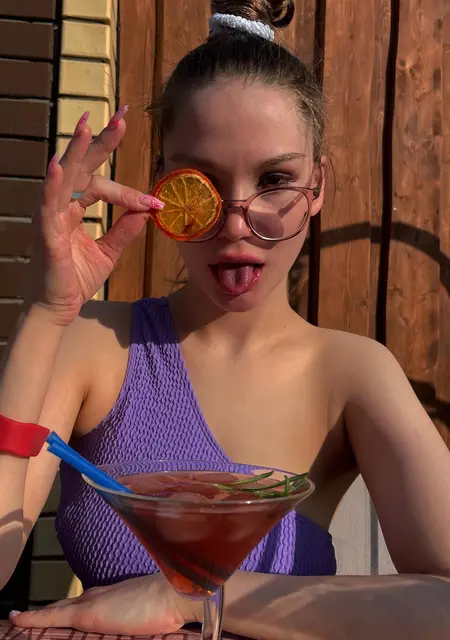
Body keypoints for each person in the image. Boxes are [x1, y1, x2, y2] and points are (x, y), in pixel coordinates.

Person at [1, 0, 450, 637]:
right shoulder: (96, 345)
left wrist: (188, 596)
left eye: (275, 179)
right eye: (201, 181)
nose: (237, 223)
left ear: (318, 186)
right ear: (162, 185)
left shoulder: (352, 373)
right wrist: (45, 314)